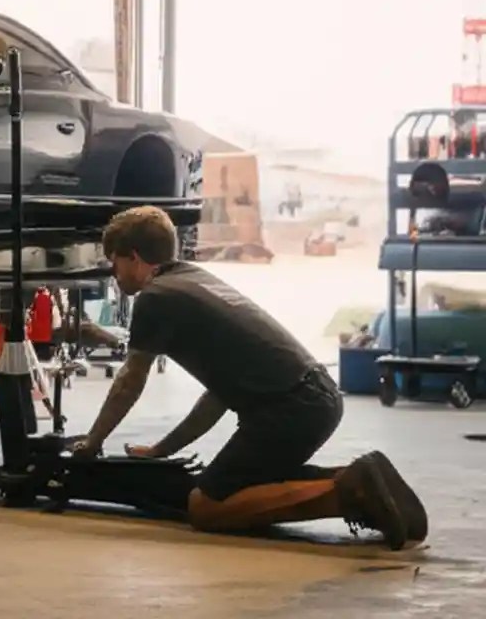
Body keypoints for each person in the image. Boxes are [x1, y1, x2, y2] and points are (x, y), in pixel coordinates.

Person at [70, 206, 427, 550]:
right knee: (250, 483)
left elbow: (130, 380)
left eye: (114, 262)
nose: (114, 274)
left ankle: (348, 494)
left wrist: (92, 441)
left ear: (134, 257)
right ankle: (365, 480)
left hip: (292, 407)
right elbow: (218, 396)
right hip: (319, 397)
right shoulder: (192, 280)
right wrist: (164, 450)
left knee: (206, 507)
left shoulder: (155, 298)